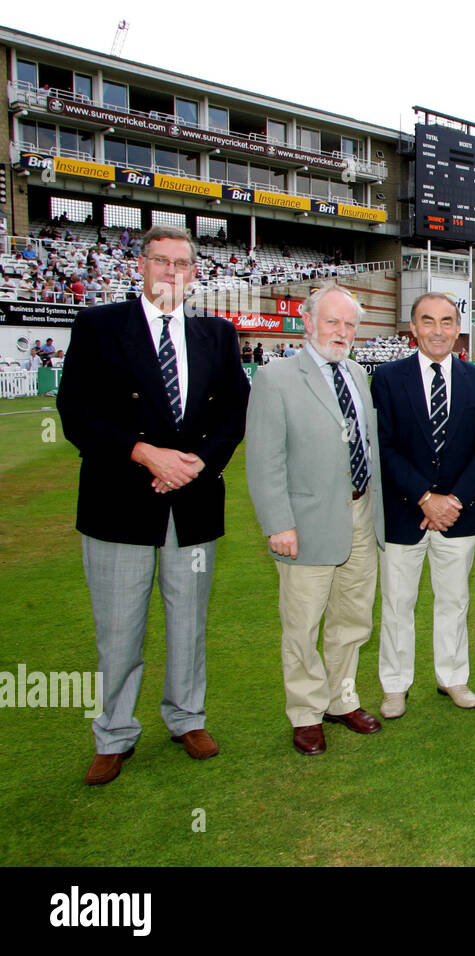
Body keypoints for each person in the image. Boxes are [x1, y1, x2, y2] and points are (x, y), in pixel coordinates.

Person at [57, 224, 249, 786]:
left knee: (189, 621)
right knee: (119, 628)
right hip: (119, 502)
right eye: (160, 261)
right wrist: (144, 454)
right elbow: (78, 412)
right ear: (141, 266)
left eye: (182, 263)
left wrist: (194, 463)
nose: (171, 271)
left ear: (194, 273)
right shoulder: (99, 326)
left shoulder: (216, 333)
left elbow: (234, 413)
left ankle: (186, 717)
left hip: (191, 502)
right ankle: (114, 733)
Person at [245, 284, 386, 756]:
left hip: (361, 513)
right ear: (307, 322)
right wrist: (277, 523)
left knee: (353, 619)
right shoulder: (276, 377)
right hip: (305, 521)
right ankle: (305, 712)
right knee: (302, 623)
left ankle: (340, 699)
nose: (342, 332)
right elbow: (264, 460)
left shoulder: (358, 375)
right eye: (332, 322)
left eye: (349, 324)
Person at [372, 293, 475, 716]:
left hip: (458, 515)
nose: (438, 330)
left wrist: (453, 500)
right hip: (404, 512)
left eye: (447, 321)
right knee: (397, 604)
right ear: (414, 327)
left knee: (453, 601)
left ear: (457, 327)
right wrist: (426, 498)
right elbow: (384, 447)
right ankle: (395, 684)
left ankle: (453, 678)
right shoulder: (388, 378)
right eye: (428, 321)